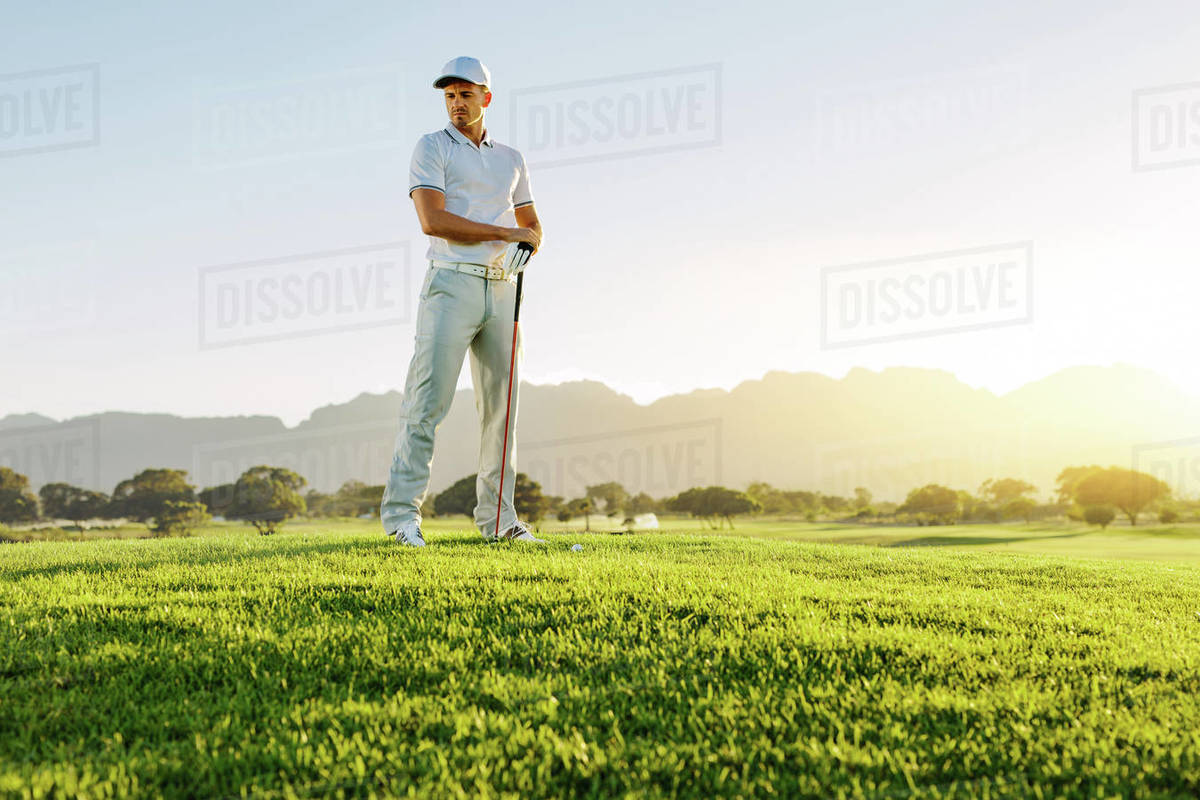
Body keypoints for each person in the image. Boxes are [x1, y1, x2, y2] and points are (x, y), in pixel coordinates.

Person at [380, 56, 545, 547]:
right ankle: (400, 519)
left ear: (486, 98)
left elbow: (533, 227)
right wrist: (504, 231)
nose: (456, 104)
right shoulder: (432, 147)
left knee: (502, 408)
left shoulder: (511, 159)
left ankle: (499, 523)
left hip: (503, 286)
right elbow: (433, 221)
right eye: (449, 96)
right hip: (450, 283)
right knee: (427, 402)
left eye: (466, 95)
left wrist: (527, 243)